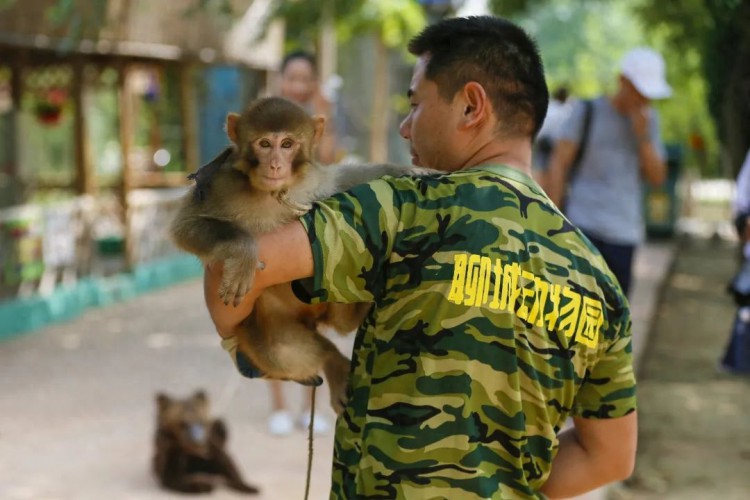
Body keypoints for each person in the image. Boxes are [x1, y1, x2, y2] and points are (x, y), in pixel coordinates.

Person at [205, 16, 637, 498]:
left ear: (471, 105)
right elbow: (611, 456)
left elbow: (231, 265)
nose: (405, 126)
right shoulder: (597, 281)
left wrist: (244, 345)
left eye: (415, 104)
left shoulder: (402, 208)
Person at [541, 47, 672, 296]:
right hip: (582, 228)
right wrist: (551, 225)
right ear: (623, 81)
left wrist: (642, 136)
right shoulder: (588, 110)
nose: (645, 100)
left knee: (613, 323)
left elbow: (658, 178)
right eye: (640, 91)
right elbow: (559, 163)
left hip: (624, 234)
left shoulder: (650, 122)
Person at [265, 50, 339, 437]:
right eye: (291, 77)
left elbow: (326, 164)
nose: (297, 85)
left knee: (314, 318)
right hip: (272, 231)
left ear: (313, 84)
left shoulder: (318, 123)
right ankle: (278, 404)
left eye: (304, 79)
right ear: (280, 81)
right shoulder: (262, 121)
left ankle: (309, 405)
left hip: (311, 233)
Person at [532, 85, 572, 179]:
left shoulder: (549, 107)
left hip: (543, 140)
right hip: (555, 142)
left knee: (540, 167)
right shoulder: (567, 110)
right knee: (554, 167)